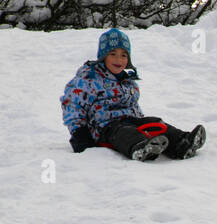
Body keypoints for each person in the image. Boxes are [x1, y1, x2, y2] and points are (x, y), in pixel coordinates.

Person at [61, 28, 206, 161]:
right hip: (104, 128)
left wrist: (143, 122)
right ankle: (140, 146)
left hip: (131, 120)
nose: (119, 60)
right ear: (103, 56)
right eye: (113, 54)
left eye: (123, 55)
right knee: (123, 132)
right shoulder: (89, 79)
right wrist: (79, 133)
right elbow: (72, 104)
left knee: (155, 122)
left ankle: (181, 143)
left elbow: (133, 104)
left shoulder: (127, 81)